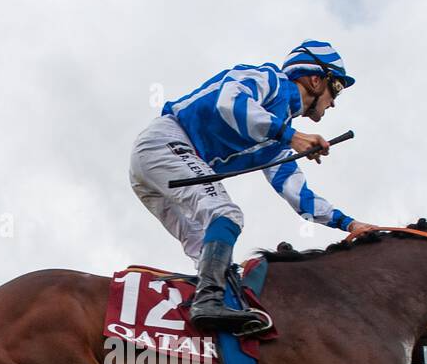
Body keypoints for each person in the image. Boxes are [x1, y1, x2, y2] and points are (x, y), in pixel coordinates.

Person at [130, 40, 377, 333]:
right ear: (315, 79)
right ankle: (207, 304)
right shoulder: (270, 80)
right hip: (166, 141)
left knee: (204, 250)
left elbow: (301, 197)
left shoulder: (277, 143)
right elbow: (229, 102)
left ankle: (202, 320)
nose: (334, 101)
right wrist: (291, 135)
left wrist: (350, 225)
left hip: (158, 169)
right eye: (335, 88)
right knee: (226, 215)